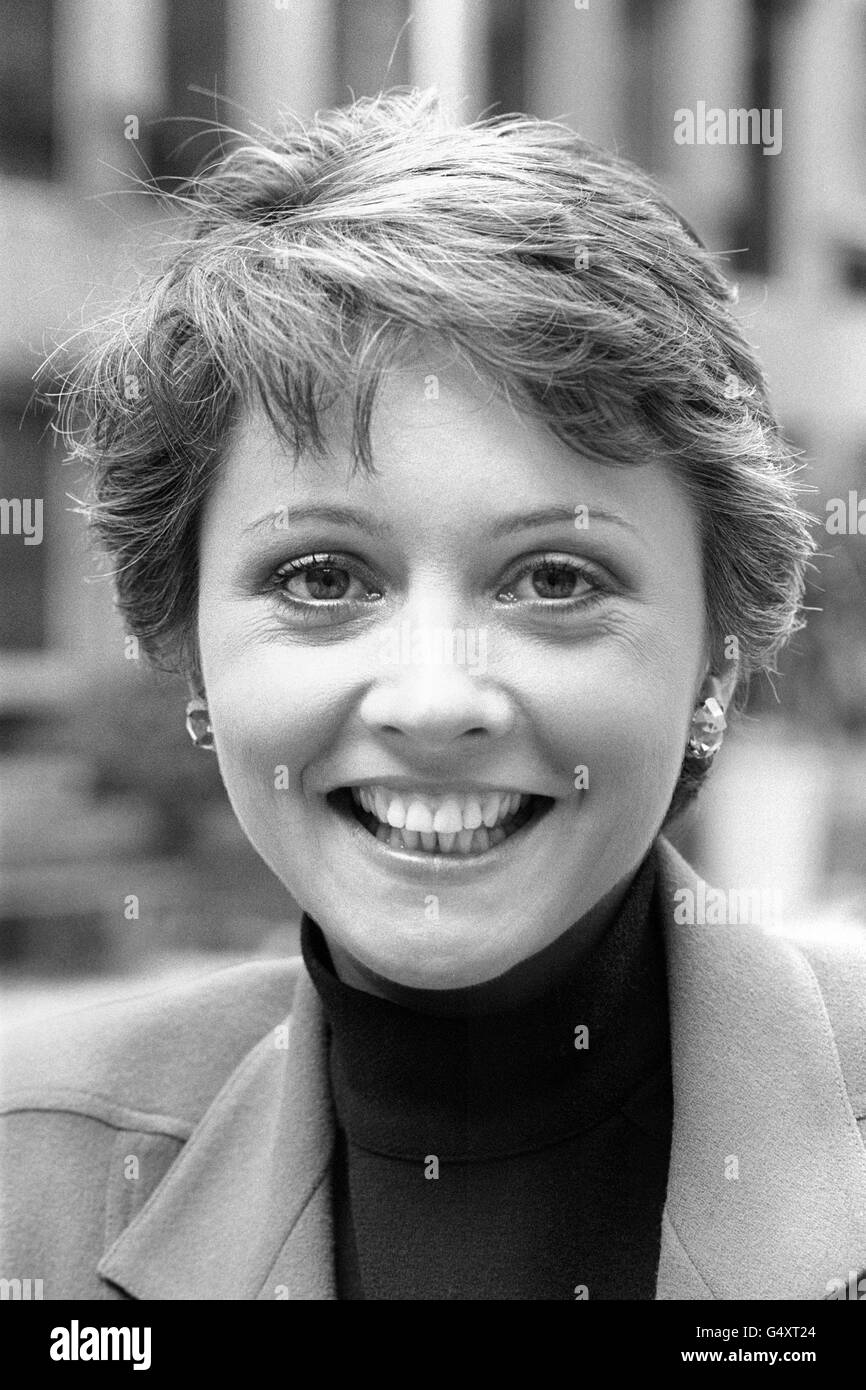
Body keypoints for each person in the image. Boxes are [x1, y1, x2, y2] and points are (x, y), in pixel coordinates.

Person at [2, 89, 865, 1301]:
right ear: (188, 646)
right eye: (320, 576)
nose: (432, 697)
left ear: (716, 652)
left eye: (553, 578)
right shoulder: (22, 1177)